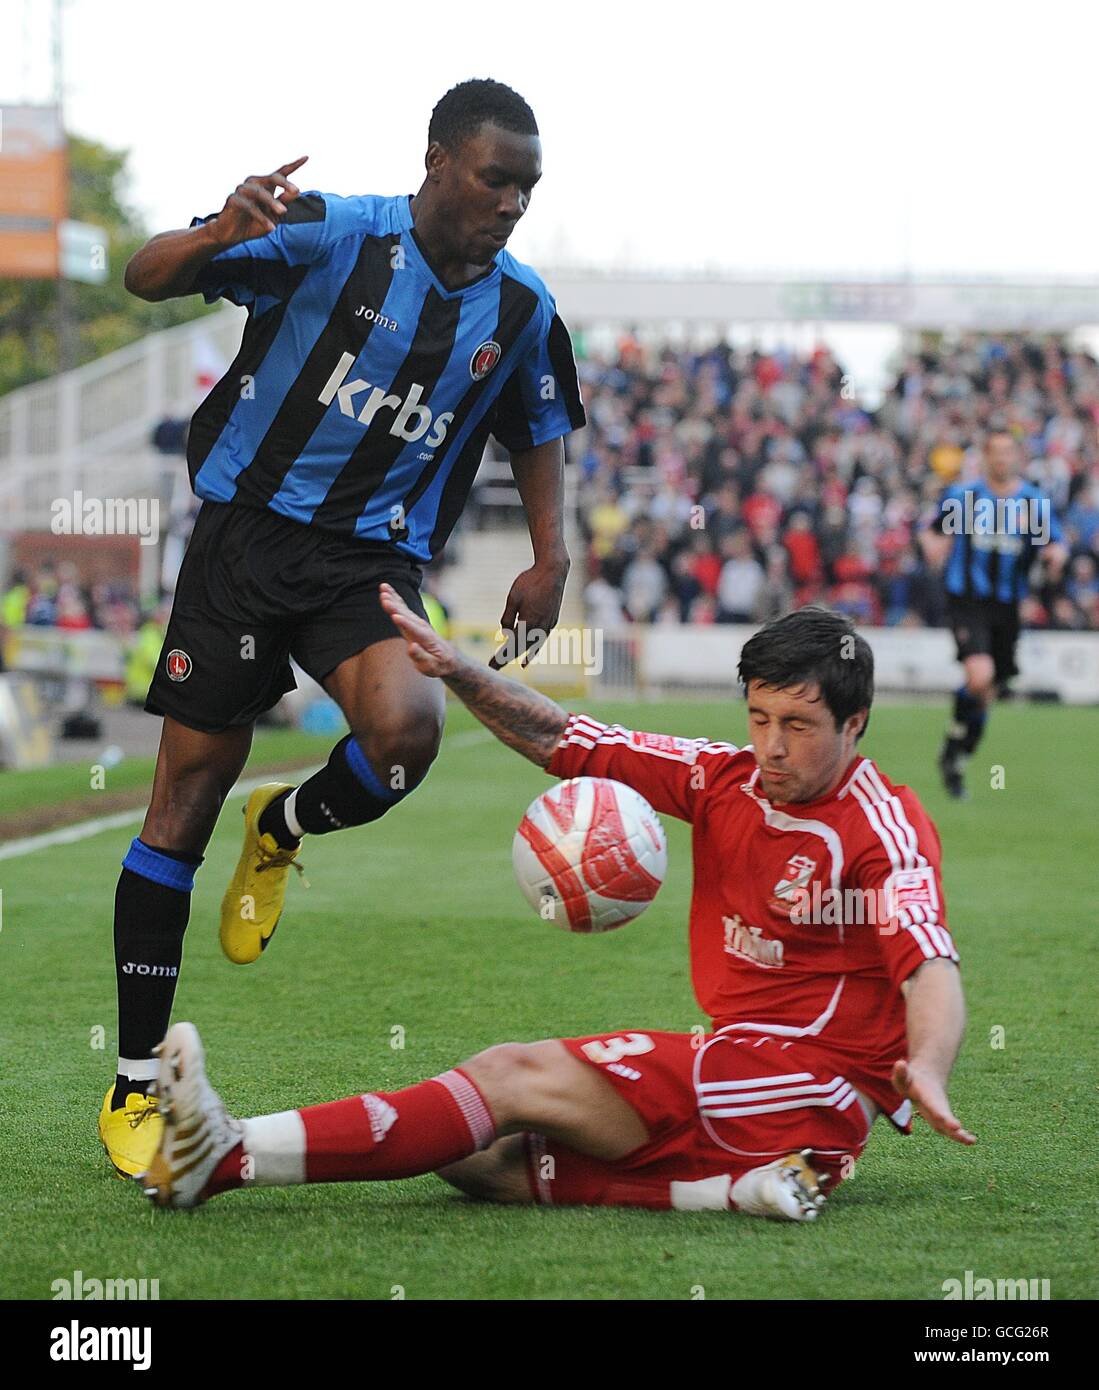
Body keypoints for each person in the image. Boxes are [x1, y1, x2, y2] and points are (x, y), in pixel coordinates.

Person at [98, 78, 587, 1179]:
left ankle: (289, 826)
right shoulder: (330, 234)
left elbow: (539, 422)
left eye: (527, 186)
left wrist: (550, 556)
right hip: (242, 539)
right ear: (437, 160)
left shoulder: (520, 309)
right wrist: (217, 230)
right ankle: (135, 1076)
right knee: (181, 801)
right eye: (494, 177)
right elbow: (142, 278)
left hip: (366, 561)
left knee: (409, 734)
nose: (511, 202)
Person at [140, 603, 974, 1219]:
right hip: (733, 1064)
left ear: (854, 723)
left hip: (808, 1085)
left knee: (506, 1074)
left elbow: (928, 966)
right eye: (758, 718)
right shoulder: (723, 779)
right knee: (480, 1160)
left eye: (798, 725)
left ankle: (227, 1151)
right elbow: (566, 740)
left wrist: (928, 1066)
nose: (772, 746)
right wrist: (460, 672)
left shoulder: (880, 831)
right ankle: (736, 1190)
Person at [920, 429, 1065, 798]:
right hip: (967, 601)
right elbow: (933, 533)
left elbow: (1055, 543)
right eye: (995, 452)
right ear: (985, 457)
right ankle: (954, 747)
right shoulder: (964, 497)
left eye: (1008, 452)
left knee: (988, 691)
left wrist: (1056, 557)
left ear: (1018, 457)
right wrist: (933, 549)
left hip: (1008, 606)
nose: (1002, 459)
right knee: (980, 674)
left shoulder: (1032, 502)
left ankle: (956, 755)